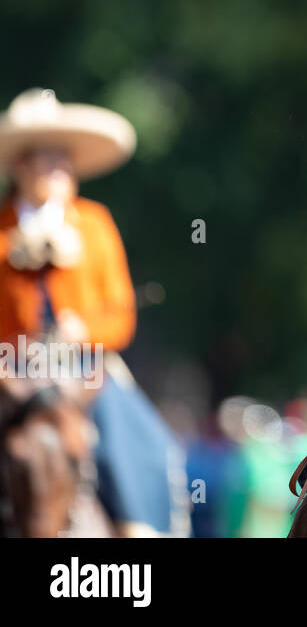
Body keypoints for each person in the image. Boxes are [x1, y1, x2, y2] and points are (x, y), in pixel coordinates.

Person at [0, 88, 190, 536]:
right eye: (48, 160)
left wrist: (81, 330)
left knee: (136, 437)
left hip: (87, 365)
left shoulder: (95, 223)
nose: (60, 169)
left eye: (64, 160)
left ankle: (137, 527)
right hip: (11, 369)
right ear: (20, 167)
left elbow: (121, 317)